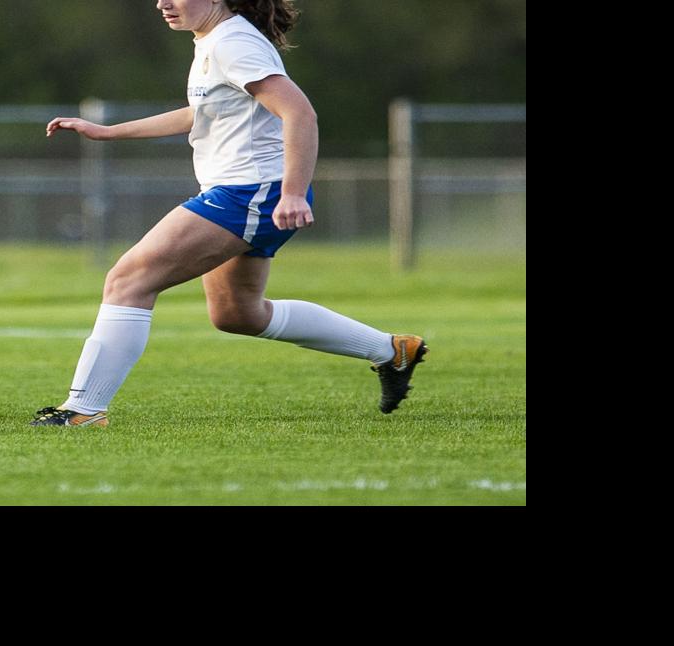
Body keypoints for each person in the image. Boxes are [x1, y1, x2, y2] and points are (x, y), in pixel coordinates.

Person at [32, 0, 426, 428]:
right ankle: (393, 351)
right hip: (248, 191)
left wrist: (293, 193)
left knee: (130, 279)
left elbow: (299, 112)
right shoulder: (215, 39)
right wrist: (109, 131)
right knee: (237, 313)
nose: (164, 2)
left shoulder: (233, 41)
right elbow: (203, 113)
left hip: (251, 192)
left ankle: (83, 410)